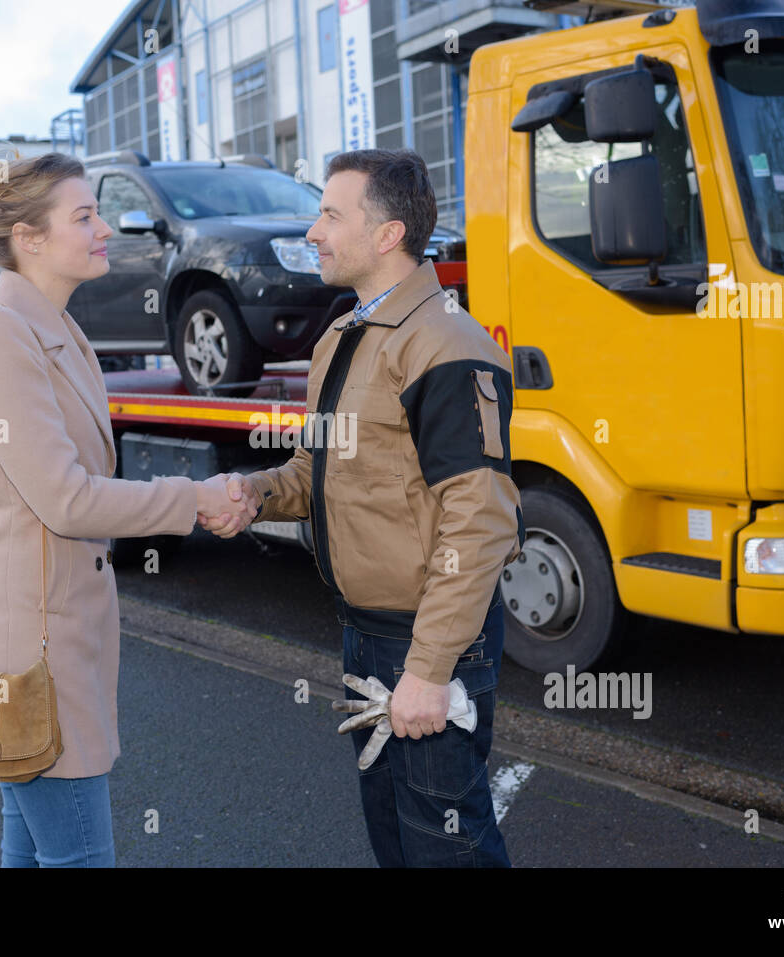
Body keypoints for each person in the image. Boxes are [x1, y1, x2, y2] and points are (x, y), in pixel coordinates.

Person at [0, 151, 257, 867]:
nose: (105, 227)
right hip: (31, 650)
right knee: (78, 856)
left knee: (31, 853)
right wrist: (196, 498)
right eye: (84, 215)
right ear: (30, 237)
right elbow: (65, 498)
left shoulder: (54, 329)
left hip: (49, 640)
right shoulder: (1, 336)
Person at [207, 148, 524, 867]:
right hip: (366, 634)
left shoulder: (446, 345)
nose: (313, 231)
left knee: (449, 846)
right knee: (396, 838)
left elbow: (480, 522)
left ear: (387, 236)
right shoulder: (342, 337)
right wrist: (253, 494)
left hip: (426, 639)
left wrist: (430, 667)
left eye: (330, 214)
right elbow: (315, 469)